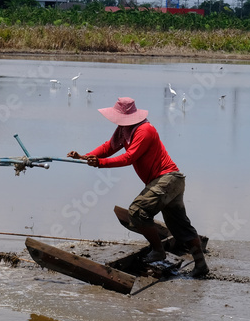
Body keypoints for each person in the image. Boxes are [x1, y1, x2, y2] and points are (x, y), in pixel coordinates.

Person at [68, 96, 209, 278]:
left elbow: (129, 157)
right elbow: (108, 147)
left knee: (137, 211)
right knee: (180, 226)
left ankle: (158, 250)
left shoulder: (145, 130)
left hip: (167, 179)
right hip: (169, 182)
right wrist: (84, 156)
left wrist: (100, 163)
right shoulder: (124, 131)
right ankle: (201, 266)